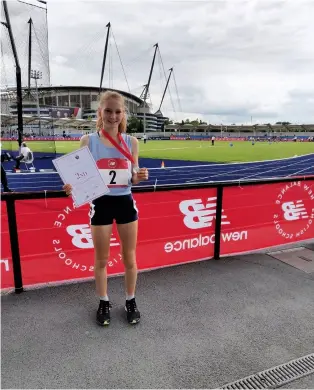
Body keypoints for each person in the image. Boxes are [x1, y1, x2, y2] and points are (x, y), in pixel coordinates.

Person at [63, 91, 149, 326]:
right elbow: (78, 177)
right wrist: (71, 186)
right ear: (100, 112)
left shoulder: (131, 142)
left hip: (124, 204)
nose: (113, 116)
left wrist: (139, 177)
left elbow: (132, 177)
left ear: (123, 114)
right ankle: (103, 301)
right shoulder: (87, 141)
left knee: (129, 257)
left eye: (118, 111)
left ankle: (130, 300)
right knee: (101, 259)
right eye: (108, 111)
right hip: (100, 204)